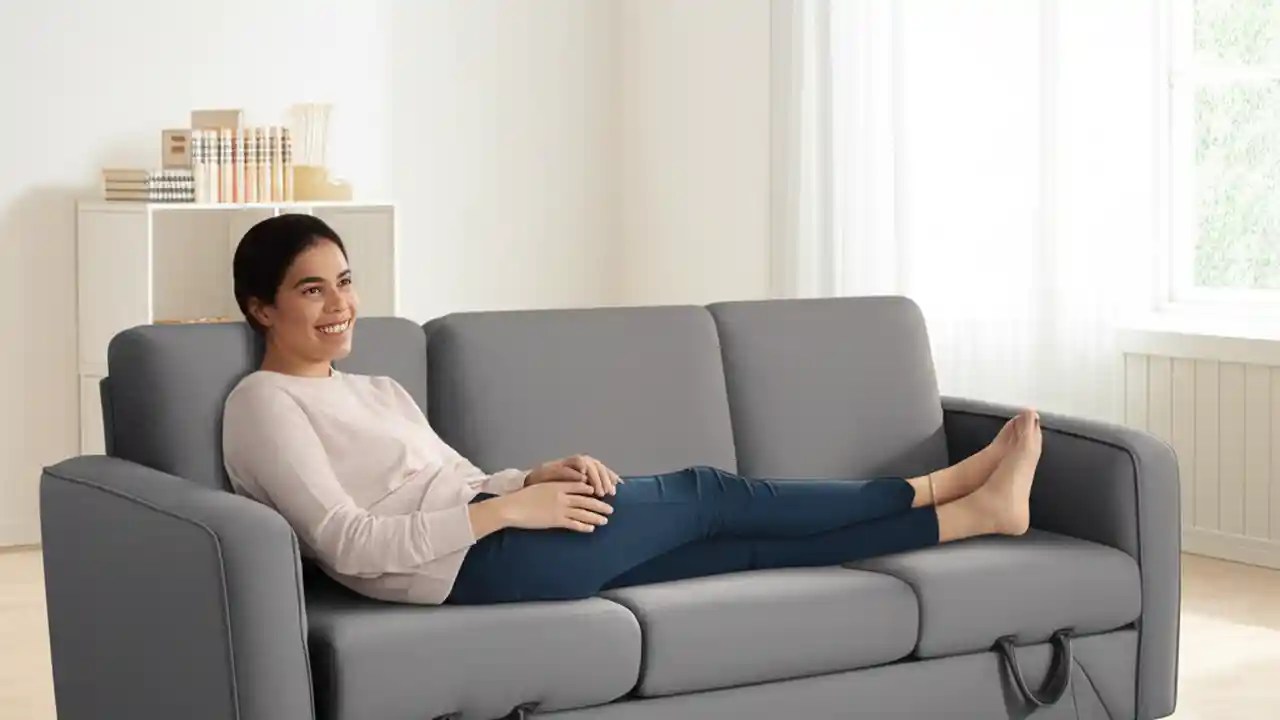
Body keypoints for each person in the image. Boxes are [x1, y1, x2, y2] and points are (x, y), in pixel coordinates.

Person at [222, 214, 1042, 606]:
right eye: (310, 288)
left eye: (345, 280)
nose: (339, 304)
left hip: (492, 526)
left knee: (743, 551)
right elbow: (347, 541)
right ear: (263, 309)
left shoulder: (375, 388)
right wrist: (509, 510)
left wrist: (529, 478)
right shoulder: (263, 404)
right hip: (462, 564)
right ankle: (937, 486)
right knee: (711, 493)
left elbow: (455, 479)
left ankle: (976, 520)